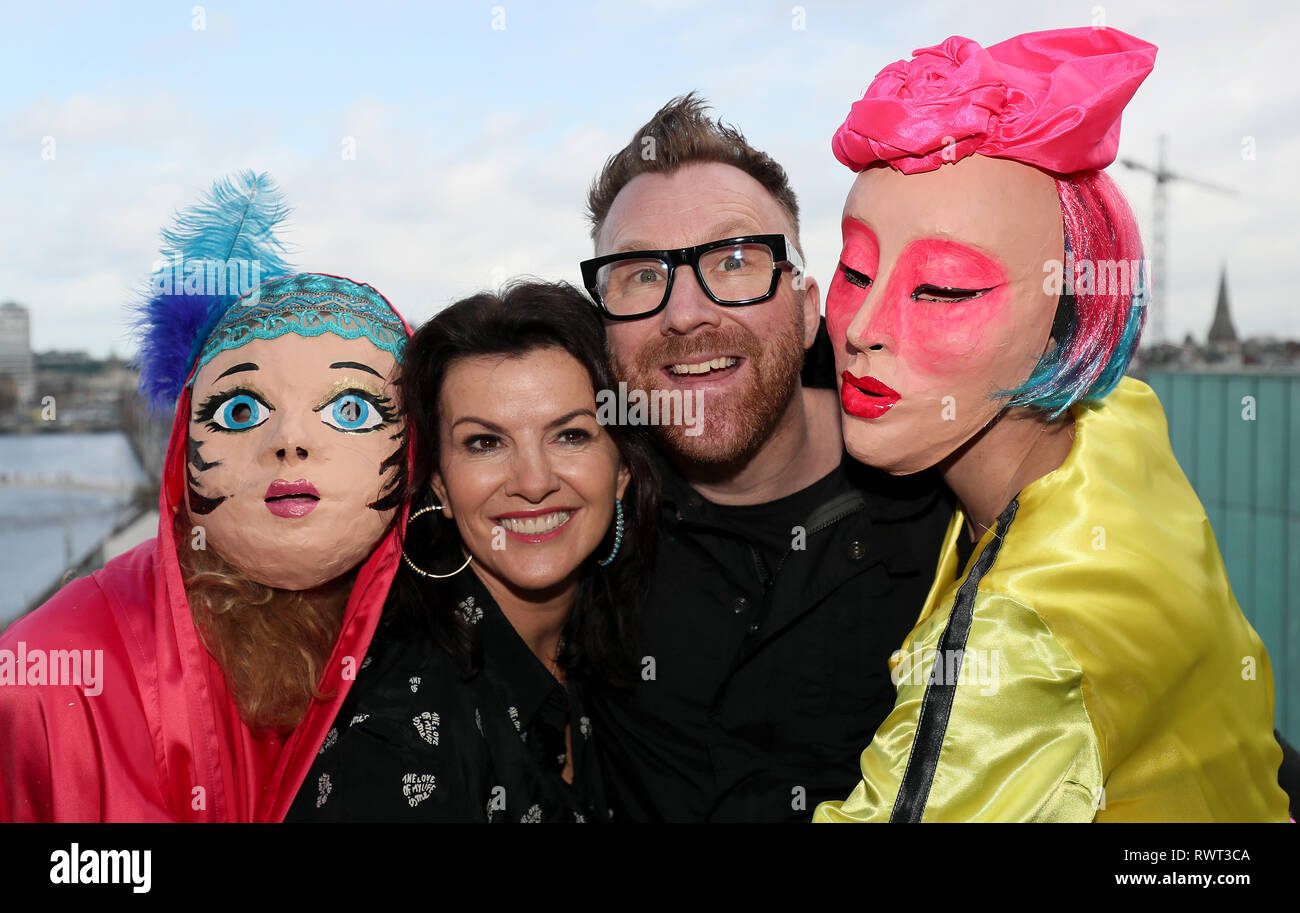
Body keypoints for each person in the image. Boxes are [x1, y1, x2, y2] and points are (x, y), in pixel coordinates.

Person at [813, 28, 1289, 822]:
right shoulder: (1120, 423)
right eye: (855, 268)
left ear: (1067, 319)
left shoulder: (1017, 649)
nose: (863, 323)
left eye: (941, 290)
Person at [578, 95, 953, 822]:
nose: (686, 313)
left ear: (809, 305)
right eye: (642, 274)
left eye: (736, 260)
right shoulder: (576, 521)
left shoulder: (951, 511)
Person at [0, 172, 413, 822]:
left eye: (353, 409)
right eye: (243, 409)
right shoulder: (51, 678)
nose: (290, 441)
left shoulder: (461, 635)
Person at [286, 280, 658, 823]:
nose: (533, 482)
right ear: (439, 483)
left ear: (622, 467)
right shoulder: (396, 737)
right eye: (485, 443)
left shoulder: (627, 639)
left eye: (571, 435)